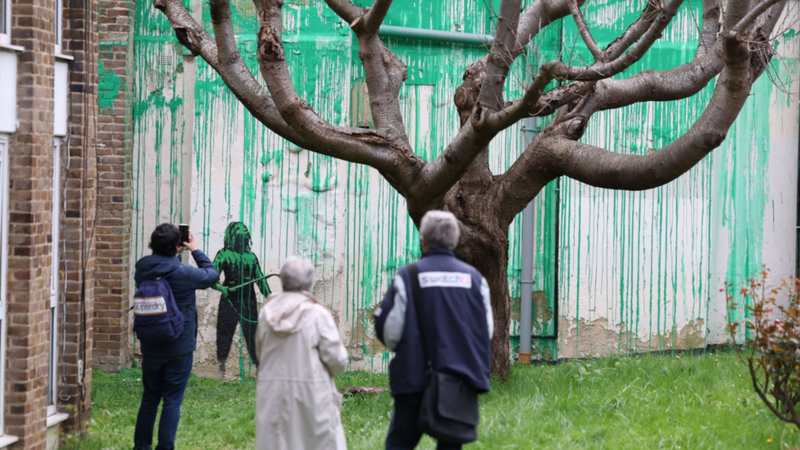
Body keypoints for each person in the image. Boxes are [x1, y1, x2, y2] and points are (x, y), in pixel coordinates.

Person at [374, 210, 494, 450]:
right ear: (455, 240)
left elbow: (390, 331)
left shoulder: (408, 276)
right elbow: (486, 330)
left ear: (423, 242)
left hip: (413, 378)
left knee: (400, 443)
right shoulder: (474, 279)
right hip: (458, 382)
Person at [133, 224, 220, 450]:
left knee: (150, 399)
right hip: (178, 349)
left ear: (153, 245)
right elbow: (212, 276)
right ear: (177, 246)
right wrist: (195, 250)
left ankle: (141, 447)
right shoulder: (184, 273)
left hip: (151, 346)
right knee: (171, 401)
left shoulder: (142, 271)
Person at [255, 256, 348, 450]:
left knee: (277, 443)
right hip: (311, 392)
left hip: (273, 392)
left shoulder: (266, 313)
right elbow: (337, 361)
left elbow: (260, 352)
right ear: (311, 282)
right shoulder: (318, 314)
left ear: (282, 280)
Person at [212, 222, 271, 375]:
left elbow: (260, 279)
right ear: (232, 235)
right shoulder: (223, 254)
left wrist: (270, 296)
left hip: (248, 302)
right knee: (224, 334)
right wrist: (222, 288)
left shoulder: (251, 257)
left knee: (253, 335)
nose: (243, 233)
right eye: (239, 232)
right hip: (229, 301)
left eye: (244, 232)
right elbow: (210, 278)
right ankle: (221, 367)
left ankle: (259, 368)